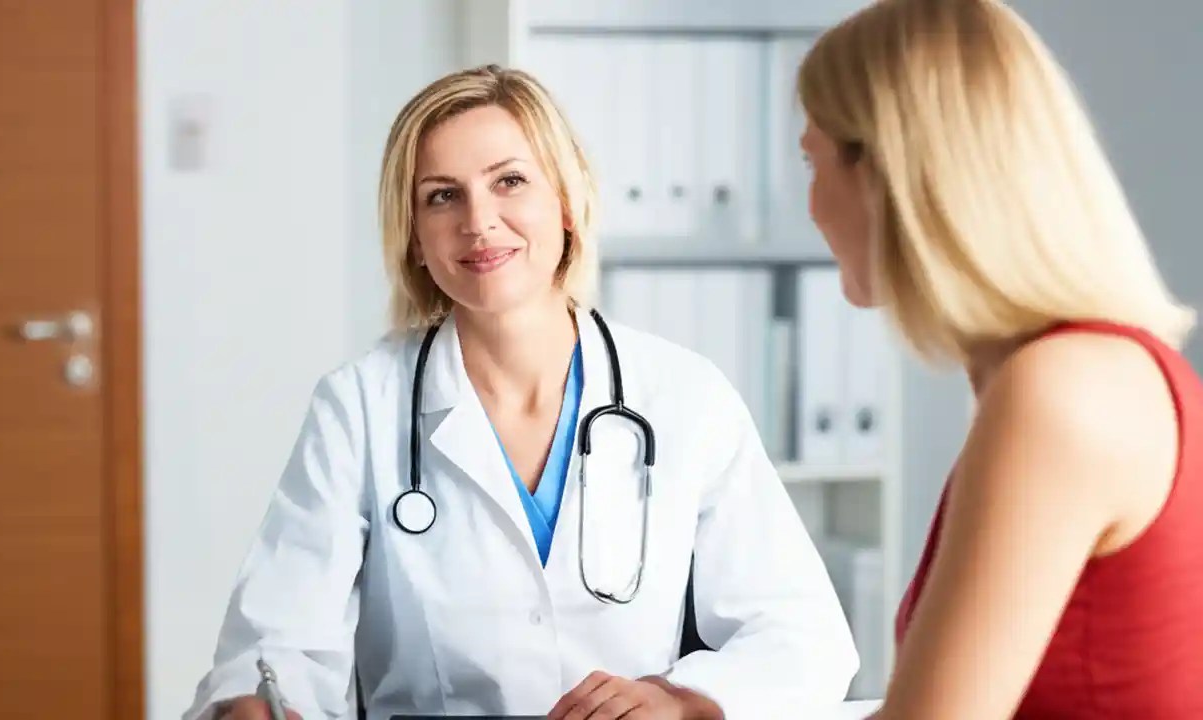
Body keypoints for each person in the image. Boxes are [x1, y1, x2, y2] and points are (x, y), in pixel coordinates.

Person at [183, 64, 858, 720]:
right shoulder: (359, 407)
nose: (479, 222)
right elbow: (279, 643)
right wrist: (257, 703)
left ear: (565, 203)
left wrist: (684, 698)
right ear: (414, 237)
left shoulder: (685, 397)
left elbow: (802, 638)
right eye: (441, 196)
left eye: (509, 182)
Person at [796, 0, 1203, 717]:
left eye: (814, 159)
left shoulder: (1060, 391)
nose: (811, 204)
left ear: (886, 174)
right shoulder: (1100, 369)